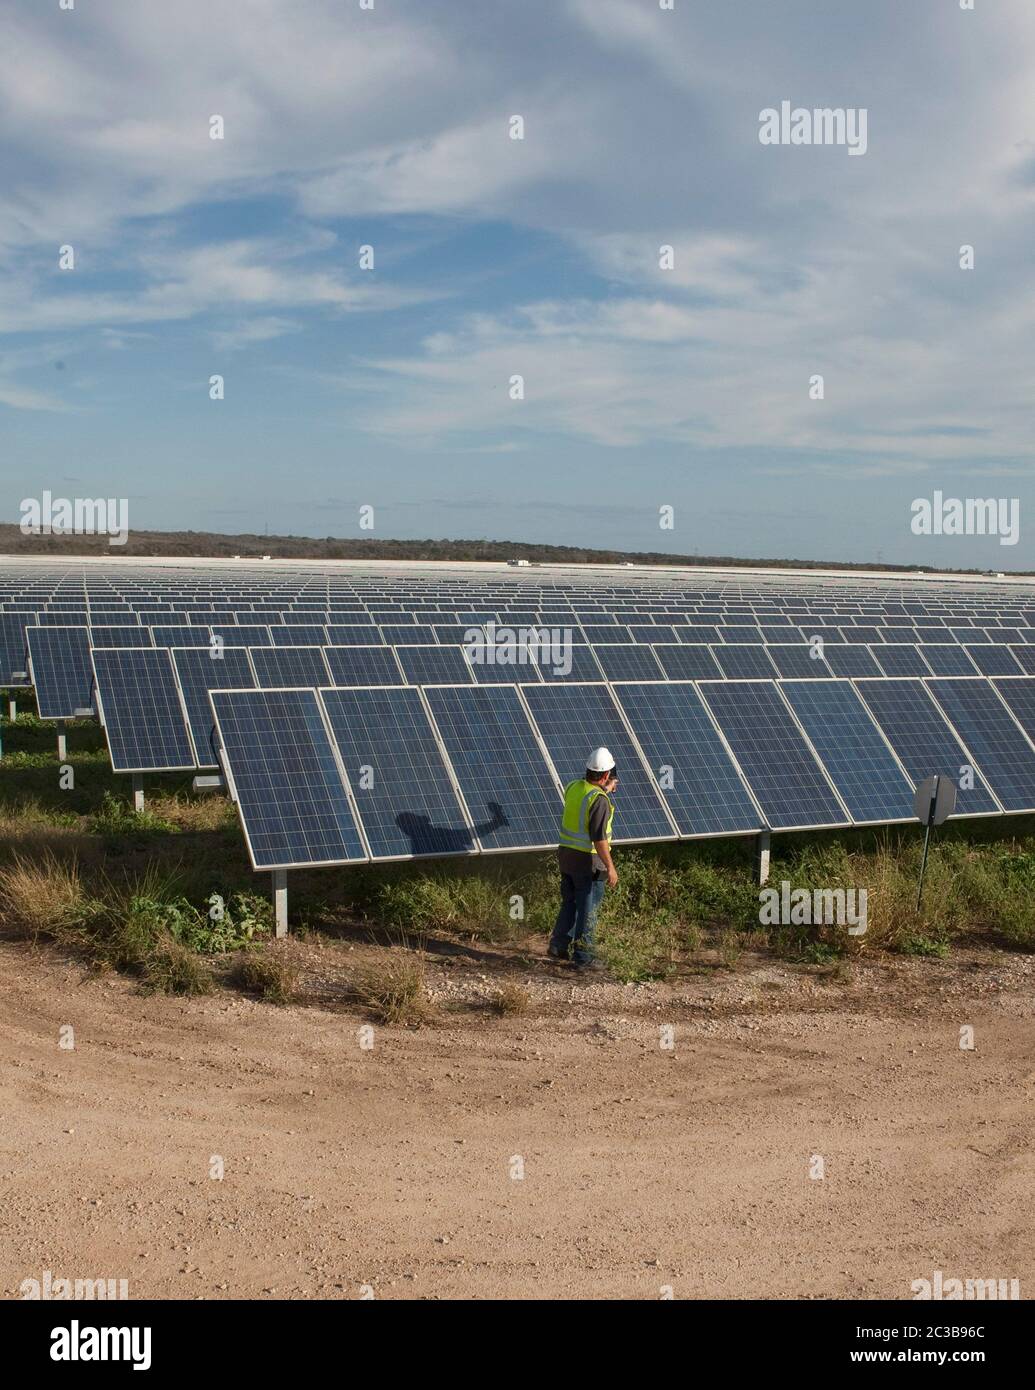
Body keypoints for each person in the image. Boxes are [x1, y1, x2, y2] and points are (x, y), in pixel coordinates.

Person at [548, 747, 618, 971]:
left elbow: (585, 800)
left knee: (570, 902)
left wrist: (604, 790)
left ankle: (558, 945)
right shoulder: (600, 801)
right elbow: (598, 839)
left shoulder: (573, 787)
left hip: (566, 855)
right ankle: (583, 956)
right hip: (588, 862)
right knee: (588, 908)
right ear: (607, 775)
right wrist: (611, 867)